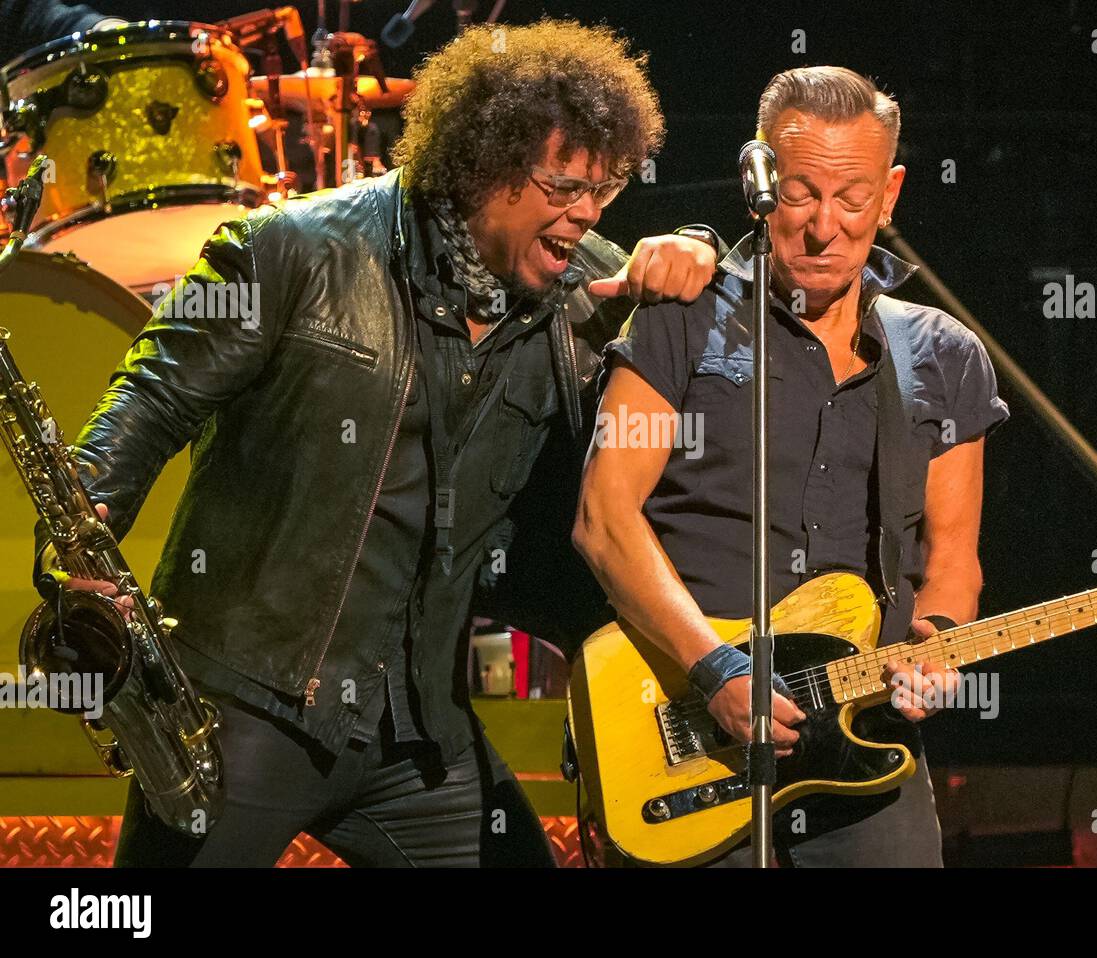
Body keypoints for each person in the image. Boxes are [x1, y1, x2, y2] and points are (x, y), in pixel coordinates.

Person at [41, 19, 720, 867]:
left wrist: (700, 254)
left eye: (607, 188)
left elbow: (699, 367)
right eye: (563, 184)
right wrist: (77, 533)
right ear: (486, 160)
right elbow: (151, 398)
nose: (585, 212)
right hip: (245, 710)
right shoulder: (292, 250)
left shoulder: (585, 289)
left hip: (416, 733)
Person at [573, 65, 1010, 866]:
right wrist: (714, 670)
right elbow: (604, 518)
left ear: (891, 193)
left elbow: (953, 559)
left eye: (853, 199)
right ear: (760, 180)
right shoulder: (679, 321)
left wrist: (941, 645)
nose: (824, 229)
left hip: (862, 752)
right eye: (803, 193)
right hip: (682, 728)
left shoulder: (946, 356)